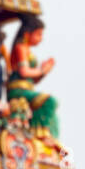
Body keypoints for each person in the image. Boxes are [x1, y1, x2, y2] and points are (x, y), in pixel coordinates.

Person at [7, 15, 60, 147]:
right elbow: (24, 72)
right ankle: (40, 133)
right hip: (17, 91)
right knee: (50, 101)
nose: (41, 39)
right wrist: (42, 70)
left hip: (27, 89)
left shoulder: (27, 50)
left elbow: (33, 80)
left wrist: (44, 71)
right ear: (27, 34)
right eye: (38, 34)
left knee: (53, 113)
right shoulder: (20, 48)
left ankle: (51, 136)